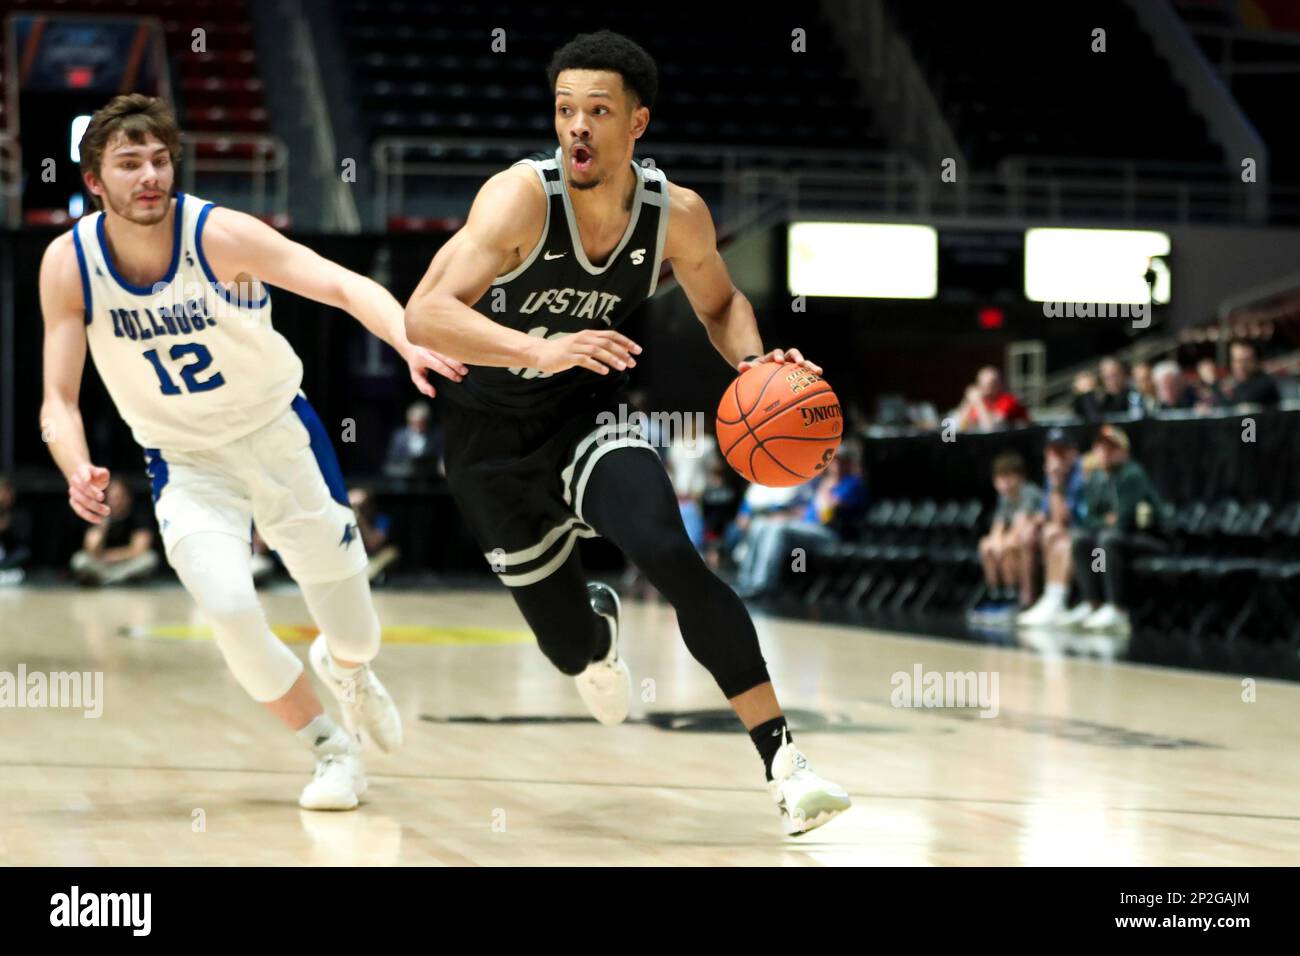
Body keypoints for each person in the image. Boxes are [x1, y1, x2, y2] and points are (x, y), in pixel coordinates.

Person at [402, 30, 849, 834]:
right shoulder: (519, 199)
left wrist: (754, 364)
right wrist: (540, 346)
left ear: (636, 124)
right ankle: (592, 631)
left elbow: (719, 304)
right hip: (488, 444)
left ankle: (787, 762)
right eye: (565, 109)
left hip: (587, 416)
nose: (576, 126)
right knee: (569, 651)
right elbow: (426, 314)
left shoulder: (675, 216)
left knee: (670, 549)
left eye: (597, 111)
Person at [38, 94, 464, 809]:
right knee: (231, 612)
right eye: (128, 163)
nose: (149, 175)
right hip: (185, 462)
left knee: (355, 634)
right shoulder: (69, 264)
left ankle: (348, 669)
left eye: (159, 159)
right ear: (94, 181)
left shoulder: (218, 234)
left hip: (277, 437)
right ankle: (332, 749)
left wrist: (404, 336)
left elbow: (339, 281)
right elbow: (58, 400)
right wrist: (75, 466)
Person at [1062, 426, 1165, 633]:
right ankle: (1092, 602)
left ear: (1124, 452)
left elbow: (1123, 522)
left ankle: (1117, 608)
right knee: (1081, 539)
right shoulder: (1097, 477)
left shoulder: (1132, 475)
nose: (1105, 452)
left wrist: (1106, 522)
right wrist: (1105, 521)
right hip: (1114, 538)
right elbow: (1087, 520)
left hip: (1149, 538)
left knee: (1107, 540)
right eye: (1101, 447)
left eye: (1112, 447)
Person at [1016, 429, 1087, 626]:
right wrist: (1031, 524)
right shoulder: (1054, 472)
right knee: (1028, 535)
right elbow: (1048, 513)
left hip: (1088, 532)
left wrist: (1056, 483)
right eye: (1052, 451)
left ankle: (1056, 600)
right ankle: (1029, 600)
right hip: (1068, 530)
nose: (1057, 456)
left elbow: (1062, 519)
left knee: (1054, 536)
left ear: (1074, 451)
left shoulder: (1082, 471)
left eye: (1062, 451)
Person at [974, 452, 1043, 616]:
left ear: (1020, 477)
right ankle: (997, 593)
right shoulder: (1004, 498)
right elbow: (998, 525)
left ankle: (1015, 596)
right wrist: (995, 542)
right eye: (999, 477)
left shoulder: (1029, 491)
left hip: (1033, 540)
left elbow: (1021, 524)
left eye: (1008, 476)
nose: (1003, 482)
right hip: (1017, 537)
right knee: (986, 545)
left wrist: (1002, 543)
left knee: (1010, 545)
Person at [69, 478, 159, 585]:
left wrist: (111, 556)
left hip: (127, 563)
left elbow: (140, 549)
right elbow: (90, 549)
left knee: (150, 558)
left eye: (120, 497)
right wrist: (102, 529)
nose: (117, 502)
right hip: (102, 565)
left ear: (128, 497)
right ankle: (118, 580)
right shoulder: (99, 516)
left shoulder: (138, 516)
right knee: (80, 560)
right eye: (113, 498)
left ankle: (106, 581)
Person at [955, 366, 1029, 431]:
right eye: (982, 384)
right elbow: (959, 426)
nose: (986, 388)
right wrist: (968, 401)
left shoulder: (1008, 400)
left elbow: (990, 428)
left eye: (990, 384)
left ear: (999, 384)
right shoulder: (981, 400)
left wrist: (978, 402)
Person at [349, 487, 400, 582]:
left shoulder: (381, 520)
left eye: (360, 507)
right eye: (351, 507)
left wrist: (361, 523)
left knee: (391, 552)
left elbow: (373, 545)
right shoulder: (344, 520)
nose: (356, 511)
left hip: (373, 558)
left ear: (369, 506)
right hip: (352, 558)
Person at [1213, 339, 1280, 408]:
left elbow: (1248, 399)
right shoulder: (1225, 384)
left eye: (1246, 360)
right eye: (1236, 360)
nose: (1241, 365)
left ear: (1256, 361)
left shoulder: (1266, 383)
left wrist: (1229, 394)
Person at [384, 400, 444, 478]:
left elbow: (440, 455)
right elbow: (393, 457)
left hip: (429, 475)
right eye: (415, 422)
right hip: (404, 475)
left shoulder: (436, 435)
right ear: (409, 421)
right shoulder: (400, 436)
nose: (418, 426)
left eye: (421, 423)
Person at [0, 474, 34, 586]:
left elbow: (24, 540)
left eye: (6, 491)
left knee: (24, 553)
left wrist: (7, 529)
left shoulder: (19, 514)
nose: (3, 495)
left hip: (9, 556)